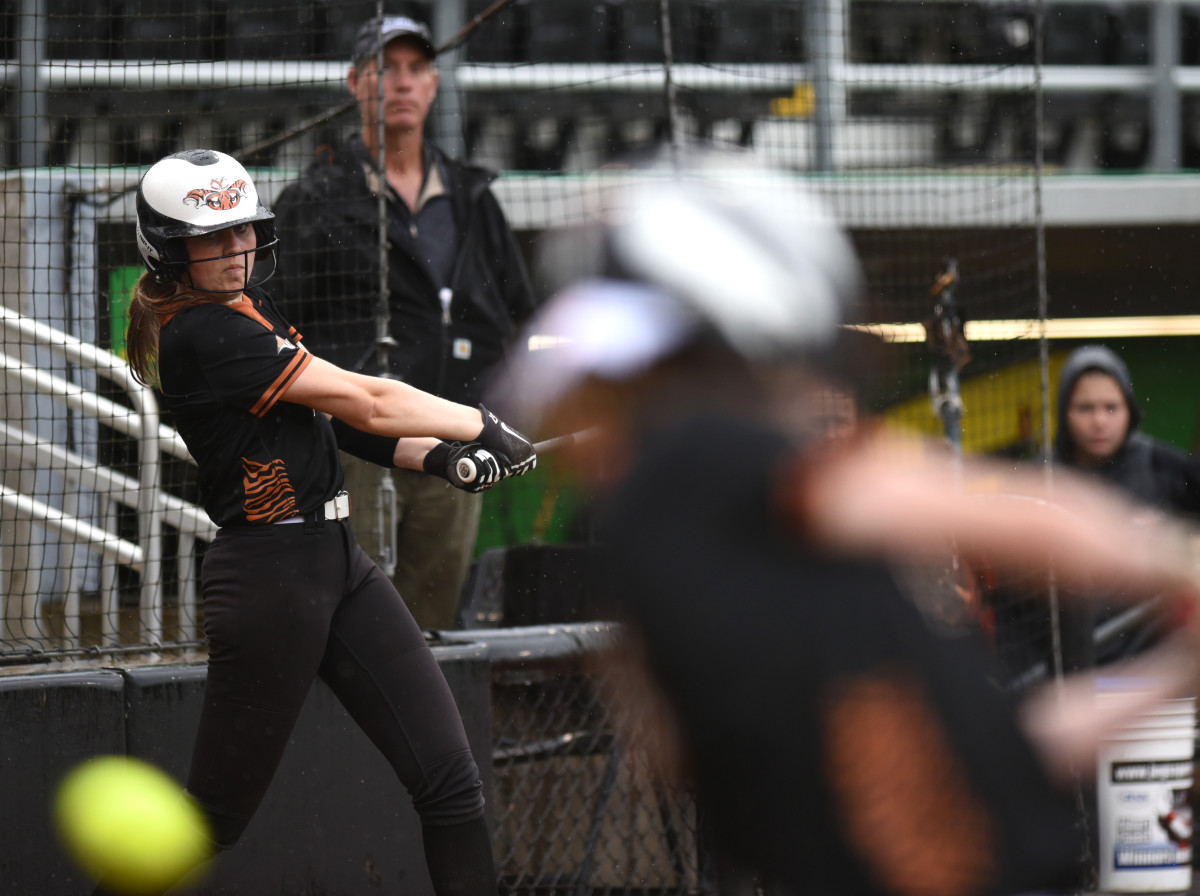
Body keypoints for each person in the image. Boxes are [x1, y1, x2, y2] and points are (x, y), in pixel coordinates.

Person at [493, 150, 1200, 896]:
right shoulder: (696, 459)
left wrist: (1175, 675)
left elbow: (1019, 749)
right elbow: (998, 517)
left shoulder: (811, 603)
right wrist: (1173, 560)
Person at [103, 147, 537, 896]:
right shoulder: (202, 332)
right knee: (210, 819)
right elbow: (366, 397)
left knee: (450, 782)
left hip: (337, 562)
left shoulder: (245, 308)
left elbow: (339, 423)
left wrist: (437, 457)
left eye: (242, 232)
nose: (236, 251)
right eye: (212, 238)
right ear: (169, 250)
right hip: (271, 581)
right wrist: (479, 423)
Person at [272, 13, 538, 631]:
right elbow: (280, 328)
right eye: (384, 68)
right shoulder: (315, 199)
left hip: (460, 435)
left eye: (415, 68)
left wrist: (503, 407)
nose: (401, 82)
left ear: (435, 83)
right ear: (354, 82)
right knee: (355, 617)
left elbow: (520, 312)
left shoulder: (473, 197)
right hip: (358, 447)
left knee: (433, 622)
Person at [1053, 344, 1200, 668]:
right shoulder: (1042, 478)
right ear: (1064, 412)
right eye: (1085, 408)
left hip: (1153, 673)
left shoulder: (1160, 465)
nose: (1099, 421)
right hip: (1070, 679)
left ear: (1129, 410)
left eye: (1111, 407)